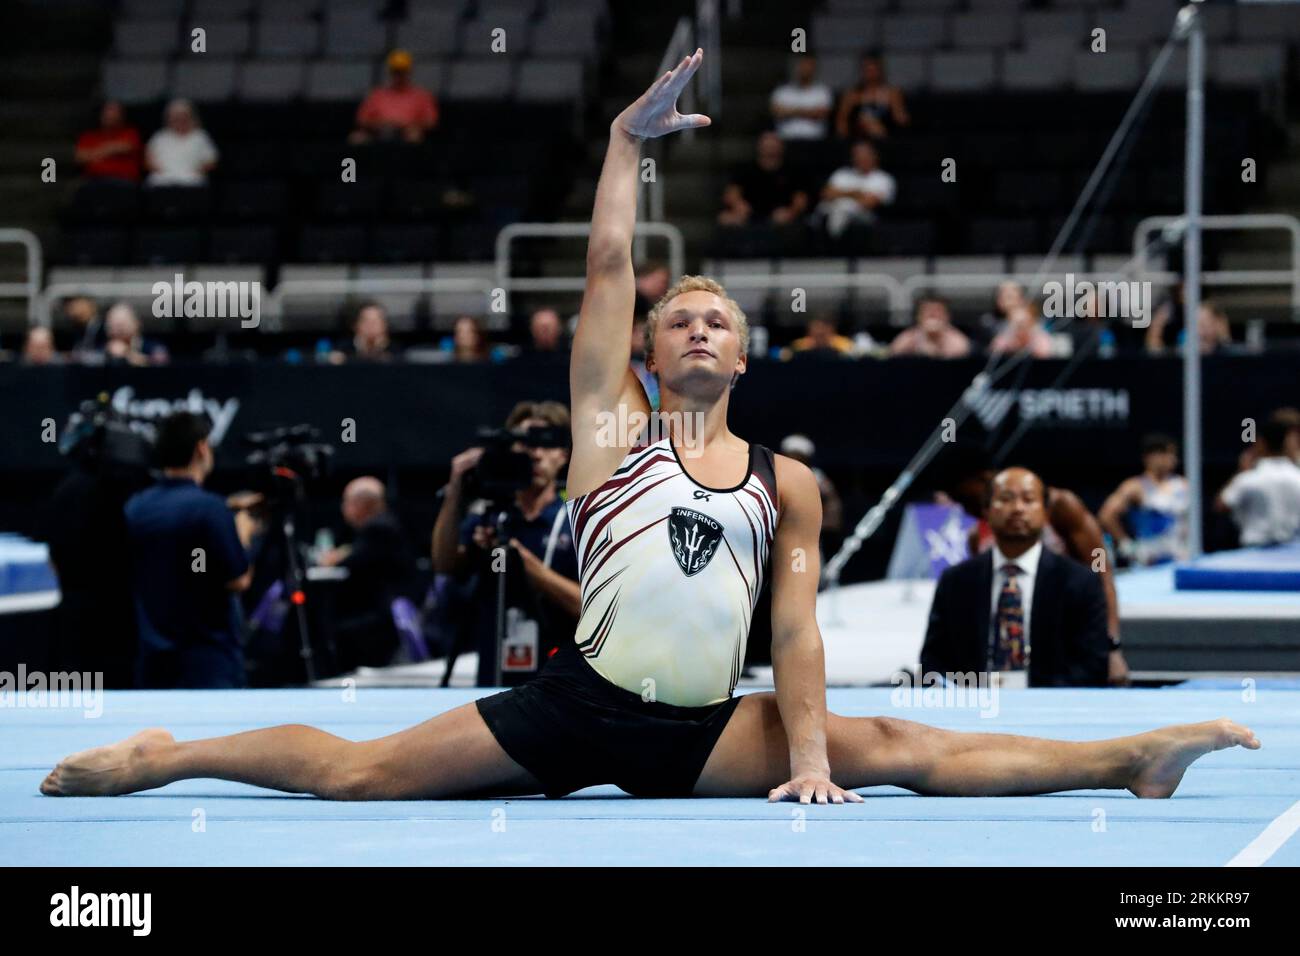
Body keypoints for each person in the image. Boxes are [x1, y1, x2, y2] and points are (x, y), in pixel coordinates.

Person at [42, 49, 1259, 804]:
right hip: (576, 701)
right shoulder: (607, 432)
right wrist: (625, 146)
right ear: (649, 347)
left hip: (700, 725)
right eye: (675, 317)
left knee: (896, 739)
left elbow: (793, 624)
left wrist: (812, 755)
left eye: (714, 320)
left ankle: (1132, 756)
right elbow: (611, 268)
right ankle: (166, 753)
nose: (690, 329)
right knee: (358, 775)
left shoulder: (786, 484)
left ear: (742, 351)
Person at [937, 443, 1131, 686]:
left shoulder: (1061, 507)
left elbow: (1101, 571)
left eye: (964, 498)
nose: (966, 509)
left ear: (984, 479)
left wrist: (1112, 647)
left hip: (1064, 636)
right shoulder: (977, 537)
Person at [431, 401, 579, 688]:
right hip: (492, 676)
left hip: (556, 681)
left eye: (544, 444)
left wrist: (525, 565)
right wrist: (456, 488)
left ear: (564, 454)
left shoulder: (574, 520)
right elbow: (444, 563)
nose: (535, 454)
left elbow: (589, 608)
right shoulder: (491, 518)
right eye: (525, 444)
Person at [123, 412, 254, 689]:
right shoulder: (211, 508)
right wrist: (243, 532)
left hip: (152, 662)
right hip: (209, 665)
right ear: (202, 448)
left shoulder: (136, 506)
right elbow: (239, 579)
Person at [317, 477, 416, 672]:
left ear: (362, 504)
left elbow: (351, 561)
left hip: (380, 616)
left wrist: (336, 557)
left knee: (330, 630)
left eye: (346, 502)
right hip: (382, 609)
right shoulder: (385, 524)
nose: (343, 508)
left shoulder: (378, 528)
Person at [1098, 434, 1190, 566]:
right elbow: (1106, 515)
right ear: (1153, 456)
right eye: (1169, 454)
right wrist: (1127, 545)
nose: (1174, 459)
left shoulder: (1182, 484)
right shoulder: (1135, 487)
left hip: (1181, 558)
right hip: (1149, 561)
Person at [1216, 415, 1300, 547]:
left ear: (1261, 443)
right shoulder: (1297, 477)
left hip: (1255, 553)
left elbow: (1221, 505)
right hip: (1291, 553)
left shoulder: (1248, 478)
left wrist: (1241, 471)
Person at [717, 131, 809, 228]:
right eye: (767, 143)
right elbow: (731, 193)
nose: (770, 147)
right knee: (725, 219)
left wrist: (791, 212)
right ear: (759, 145)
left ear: (782, 146)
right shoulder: (746, 169)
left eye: (773, 143)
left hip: (781, 216)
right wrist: (739, 205)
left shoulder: (793, 170)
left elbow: (801, 200)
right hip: (750, 215)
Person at [351, 49, 439, 144]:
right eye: (396, 71)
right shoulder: (377, 95)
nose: (399, 75)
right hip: (379, 133)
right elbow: (362, 119)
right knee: (357, 138)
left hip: (407, 134)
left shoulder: (421, 95)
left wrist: (408, 125)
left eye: (402, 71)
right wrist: (380, 124)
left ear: (409, 72)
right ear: (390, 72)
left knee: (414, 137)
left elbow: (431, 121)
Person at [815, 140, 895, 239]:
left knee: (842, 208)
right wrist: (856, 193)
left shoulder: (883, 178)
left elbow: (869, 203)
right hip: (831, 210)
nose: (860, 158)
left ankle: (833, 242)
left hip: (866, 217)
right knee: (827, 208)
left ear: (874, 156)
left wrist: (841, 194)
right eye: (857, 155)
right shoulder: (842, 174)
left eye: (864, 155)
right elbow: (826, 194)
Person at [834, 54, 910, 142]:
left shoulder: (892, 93)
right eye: (867, 70)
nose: (870, 74)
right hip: (858, 140)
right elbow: (841, 121)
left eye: (874, 70)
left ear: (880, 71)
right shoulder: (852, 95)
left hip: (885, 138)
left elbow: (901, 119)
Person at [144, 99, 218, 187]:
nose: (180, 120)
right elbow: (148, 160)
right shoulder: (159, 137)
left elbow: (212, 161)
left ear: (190, 117)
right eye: (175, 117)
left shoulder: (200, 136)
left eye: (183, 116)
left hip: (192, 180)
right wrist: (162, 172)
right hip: (163, 180)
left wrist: (196, 171)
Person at [75, 100, 142, 182]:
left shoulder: (130, 133)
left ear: (122, 116)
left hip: (123, 181)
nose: (110, 116)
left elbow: (126, 147)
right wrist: (110, 150)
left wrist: (94, 153)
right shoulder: (88, 136)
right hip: (94, 180)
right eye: (108, 112)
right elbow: (79, 157)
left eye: (115, 113)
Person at [770, 56, 833, 141]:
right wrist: (809, 111)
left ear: (814, 69)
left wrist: (790, 111)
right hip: (786, 141)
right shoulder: (782, 91)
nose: (804, 69)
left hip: (814, 142)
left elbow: (821, 113)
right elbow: (777, 112)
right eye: (802, 65)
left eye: (808, 66)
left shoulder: (823, 91)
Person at [889, 295, 972, 358]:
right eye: (927, 311)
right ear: (918, 316)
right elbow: (894, 353)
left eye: (937, 311)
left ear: (947, 316)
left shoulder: (957, 340)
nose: (932, 315)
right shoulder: (909, 337)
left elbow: (962, 352)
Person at [103, 302, 168, 365]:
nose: (117, 330)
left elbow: (161, 363)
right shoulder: (103, 349)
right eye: (113, 325)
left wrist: (127, 354)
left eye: (121, 324)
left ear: (136, 323)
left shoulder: (153, 348)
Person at [989, 302, 1054, 358]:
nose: (1020, 328)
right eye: (1016, 323)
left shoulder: (1041, 338)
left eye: (1023, 323)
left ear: (1032, 322)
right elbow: (993, 354)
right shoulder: (1005, 338)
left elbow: (1044, 356)